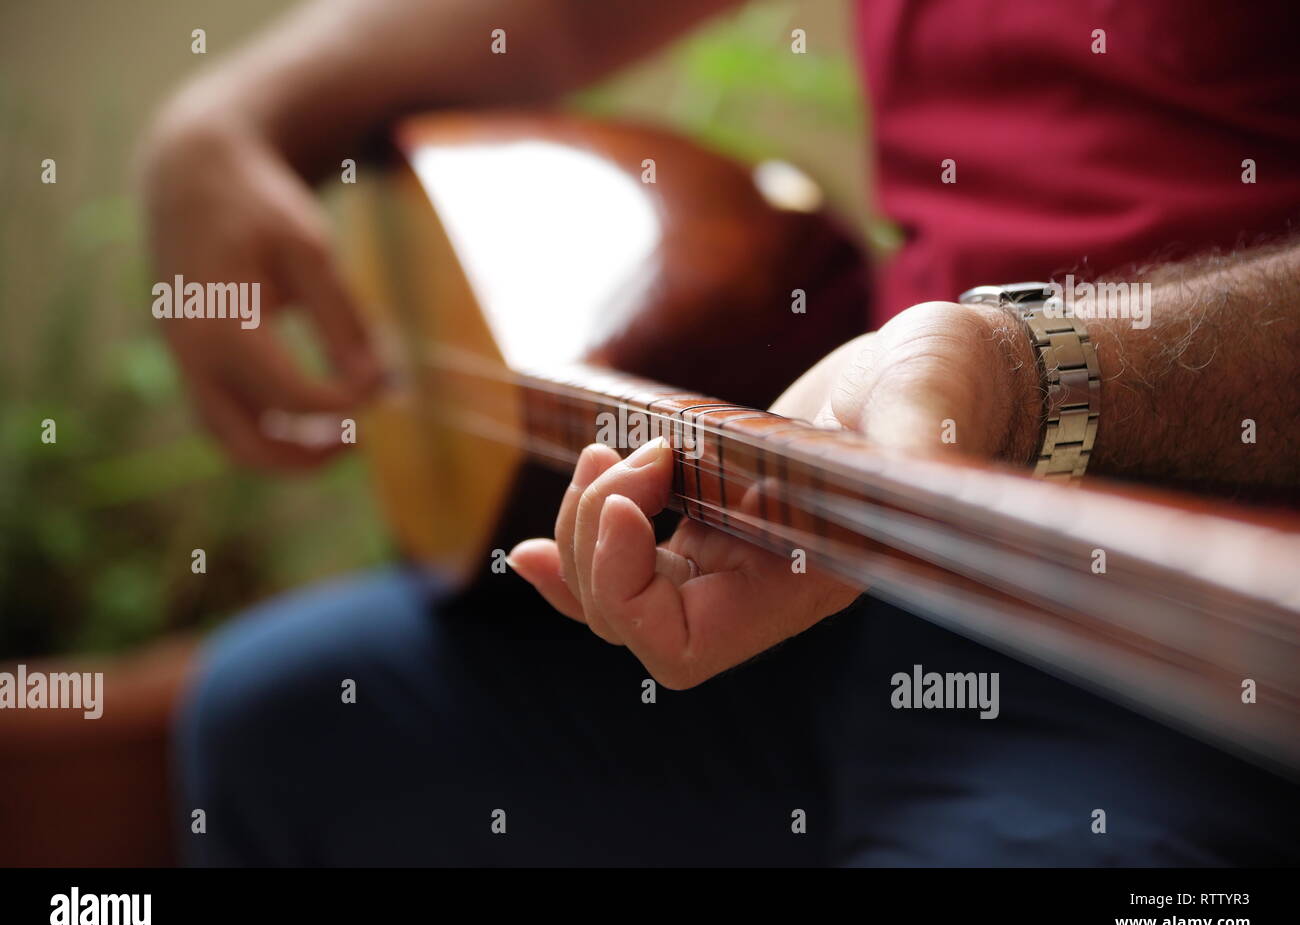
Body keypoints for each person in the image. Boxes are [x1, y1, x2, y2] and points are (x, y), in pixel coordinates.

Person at [140, 0, 1300, 865]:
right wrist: (227, 121)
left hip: (1201, 661)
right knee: (280, 727)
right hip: (860, 582)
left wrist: (1031, 375)